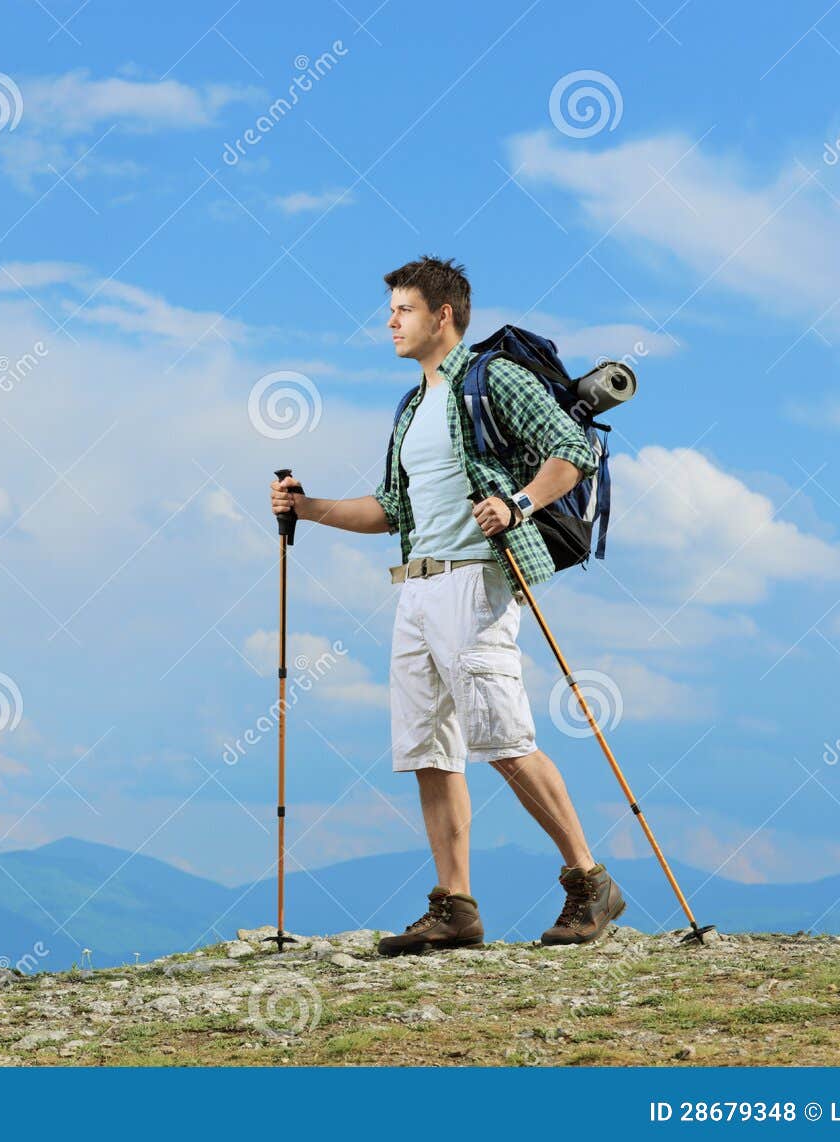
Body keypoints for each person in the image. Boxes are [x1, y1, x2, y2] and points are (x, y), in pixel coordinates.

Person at [268, 254, 625, 954]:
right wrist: (305, 508)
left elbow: (571, 449)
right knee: (430, 751)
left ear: (443, 315)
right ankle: (455, 904)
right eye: (389, 311)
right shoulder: (410, 406)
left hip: (476, 582)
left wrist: (518, 504)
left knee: (506, 740)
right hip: (416, 586)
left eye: (401, 310)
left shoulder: (494, 379)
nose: (390, 322)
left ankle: (590, 881)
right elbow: (392, 509)